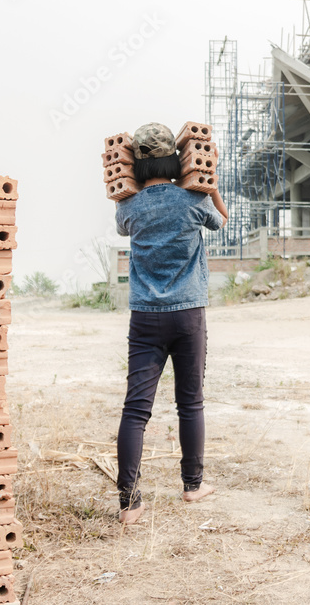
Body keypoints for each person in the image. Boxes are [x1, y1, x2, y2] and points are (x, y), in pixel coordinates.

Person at [113, 122, 228, 525]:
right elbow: (222, 220)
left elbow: (121, 225)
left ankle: (129, 505)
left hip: (144, 316)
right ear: (177, 159)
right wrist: (209, 181)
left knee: (136, 408)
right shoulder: (191, 200)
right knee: (190, 402)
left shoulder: (129, 207)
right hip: (188, 314)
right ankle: (193, 486)